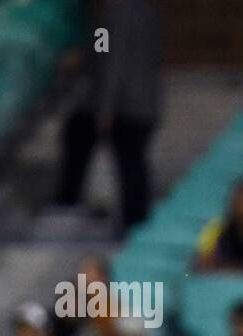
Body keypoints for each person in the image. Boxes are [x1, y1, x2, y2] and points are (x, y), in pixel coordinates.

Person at [56, 0, 163, 231]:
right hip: (147, 104)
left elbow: (113, 65)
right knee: (134, 164)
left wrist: (106, 110)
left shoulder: (116, 18)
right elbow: (102, 53)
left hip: (126, 106)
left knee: (130, 166)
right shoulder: (149, 14)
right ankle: (136, 221)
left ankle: (134, 223)